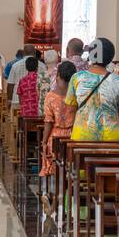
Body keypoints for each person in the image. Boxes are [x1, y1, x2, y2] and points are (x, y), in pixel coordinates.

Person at [64, 37, 119, 142]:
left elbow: (70, 110)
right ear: (111, 57)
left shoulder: (77, 78)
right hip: (110, 136)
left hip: (83, 135)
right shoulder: (117, 80)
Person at [40, 61, 77, 194]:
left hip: (55, 136)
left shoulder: (50, 96)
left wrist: (44, 141)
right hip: (74, 136)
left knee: (54, 163)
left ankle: (54, 193)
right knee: (71, 166)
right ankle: (69, 192)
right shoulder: (77, 95)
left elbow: (48, 121)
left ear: (58, 76)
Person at [16, 54, 41, 119]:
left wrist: (22, 106)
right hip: (38, 112)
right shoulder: (40, 79)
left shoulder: (22, 80)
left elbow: (20, 97)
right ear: (37, 67)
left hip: (26, 112)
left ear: (26, 67)